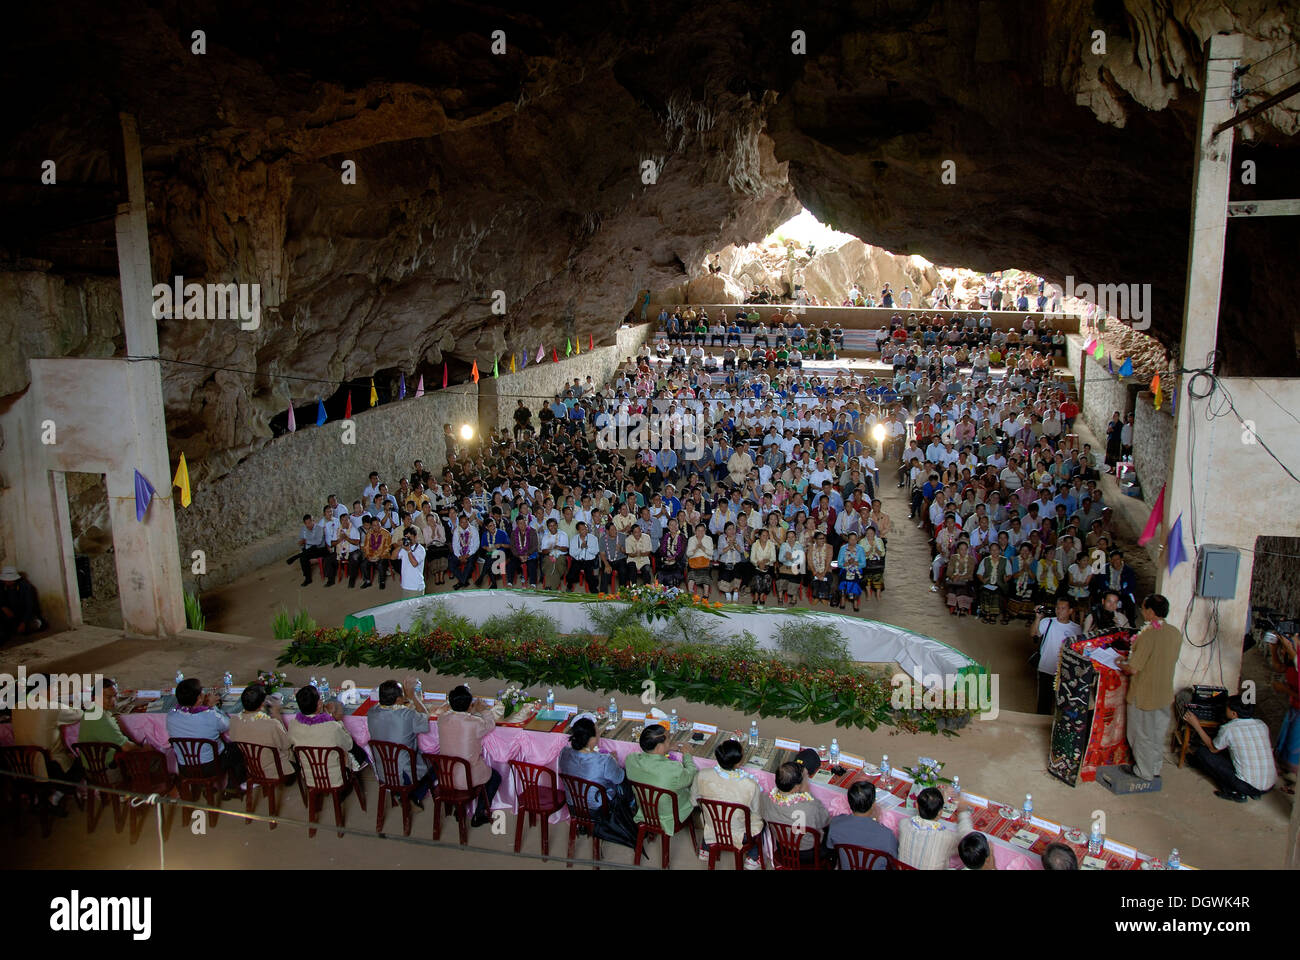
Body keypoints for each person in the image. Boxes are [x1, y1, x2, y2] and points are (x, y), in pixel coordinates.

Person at [1116, 594, 1181, 781]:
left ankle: (1143, 772)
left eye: (1144, 608)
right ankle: (1155, 767)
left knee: (1140, 734)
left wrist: (1121, 663)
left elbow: (1134, 668)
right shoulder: (1175, 633)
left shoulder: (1148, 635)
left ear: (1151, 612)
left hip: (1144, 695)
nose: (1142, 611)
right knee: (1157, 733)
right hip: (1164, 693)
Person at [1184, 695, 1276, 802]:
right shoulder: (1261, 724)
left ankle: (1233, 792)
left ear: (1234, 714)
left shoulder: (1229, 729)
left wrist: (1196, 725)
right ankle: (1251, 791)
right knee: (1232, 752)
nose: (1225, 708)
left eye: (1227, 707)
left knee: (1203, 753)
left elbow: (1213, 749)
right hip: (1270, 784)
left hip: (1247, 786)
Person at [11, 674, 84, 811]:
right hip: (49, 767)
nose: (57, 692)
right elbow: (79, 714)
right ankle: (56, 796)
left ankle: (38, 797)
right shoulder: (52, 707)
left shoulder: (16, 707)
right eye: (55, 688)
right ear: (43, 689)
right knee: (82, 762)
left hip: (22, 766)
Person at [166, 677, 245, 798]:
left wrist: (204, 705)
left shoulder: (171, 716)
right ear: (198, 698)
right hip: (211, 766)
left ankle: (203, 786)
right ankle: (231, 787)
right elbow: (228, 724)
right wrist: (211, 706)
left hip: (185, 767)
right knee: (238, 748)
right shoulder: (210, 715)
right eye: (201, 692)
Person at [692, 738, 764, 868]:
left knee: (712, 816)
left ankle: (706, 847)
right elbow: (757, 813)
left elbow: (694, 801)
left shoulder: (702, 775)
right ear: (738, 764)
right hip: (740, 835)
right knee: (761, 824)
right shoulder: (750, 785)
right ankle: (753, 858)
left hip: (712, 828)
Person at [436, 685, 502, 826]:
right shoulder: (475, 723)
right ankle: (480, 813)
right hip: (467, 777)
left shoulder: (442, 719)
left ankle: (458, 808)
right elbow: (490, 724)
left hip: (445, 776)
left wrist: (469, 709)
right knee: (495, 777)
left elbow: (451, 715)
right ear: (470, 705)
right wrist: (483, 710)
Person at [285, 683, 364, 793]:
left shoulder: (293, 724)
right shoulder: (332, 726)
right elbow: (348, 745)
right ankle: (345, 789)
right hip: (335, 776)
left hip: (310, 776)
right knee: (358, 751)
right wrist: (336, 720)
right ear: (319, 704)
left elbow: (288, 744)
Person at [367, 678, 434, 804]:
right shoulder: (407, 715)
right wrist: (413, 696)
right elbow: (425, 717)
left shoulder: (371, 712)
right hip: (405, 774)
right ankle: (413, 797)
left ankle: (400, 794)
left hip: (383, 773)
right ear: (398, 700)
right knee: (435, 764)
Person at [625, 722, 697, 837]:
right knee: (696, 788)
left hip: (645, 812)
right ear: (659, 746)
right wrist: (687, 756)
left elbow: (649, 758)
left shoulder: (631, 760)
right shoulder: (673, 769)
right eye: (669, 739)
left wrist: (666, 748)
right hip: (669, 816)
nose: (671, 740)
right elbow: (692, 774)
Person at [760, 756, 830, 864]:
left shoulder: (765, 799)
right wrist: (807, 793)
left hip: (783, 847)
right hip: (808, 853)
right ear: (797, 787)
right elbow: (825, 821)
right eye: (805, 778)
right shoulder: (810, 806)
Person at [227, 683, 296, 783]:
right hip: (276, 769)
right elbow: (286, 744)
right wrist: (277, 715)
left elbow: (233, 739)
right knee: (294, 749)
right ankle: (289, 779)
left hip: (251, 767)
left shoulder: (234, 720)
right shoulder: (271, 724)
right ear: (262, 704)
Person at [896, 787, 974, 870]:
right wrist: (963, 812)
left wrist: (939, 802)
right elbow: (970, 841)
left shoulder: (903, 824)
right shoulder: (947, 837)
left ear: (916, 805)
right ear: (940, 813)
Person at [826, 780, 897, 869]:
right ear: (873, 804)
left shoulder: (836, 823)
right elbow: (894, 861)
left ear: (849, 803)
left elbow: (830, 846)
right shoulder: (887, 835)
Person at [1031, 597, 1082, 715]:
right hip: (1046, 668)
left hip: (1065, 671)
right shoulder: (1048, 622)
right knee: (1044, 701)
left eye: (1063, 608)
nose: (1059, 611)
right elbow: (1033, 633)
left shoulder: (1076, 629)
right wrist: (1038, 618)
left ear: (1070, 611)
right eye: (1057, 608)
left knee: (1063, 701)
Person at [0, 566, 44, 641]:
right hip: (10, 615)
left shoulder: (25, 587)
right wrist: (3, 607)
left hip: (23, 615)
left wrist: (23, 623)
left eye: (10, 580)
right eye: (6, 580)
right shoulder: (2, 586)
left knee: (31, 626)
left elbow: (30, 606)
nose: (7, 582)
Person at [296, 513, 336, 587]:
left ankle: (329, 578)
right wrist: (302, 546)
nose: (309, 525)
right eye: (307, 523)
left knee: (305, 554)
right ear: (304, 524)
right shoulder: (303, 529)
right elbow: (300, 541)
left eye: (310, 522)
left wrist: (306, 541)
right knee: (303, 558)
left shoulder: (319, 528)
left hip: (320, 549)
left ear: (313, 521)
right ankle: (308, 578)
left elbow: (318, 542)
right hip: (309, 550)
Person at [395, 526, 427, 597]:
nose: (408, 540)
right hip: (405, 584)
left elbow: (414, 564)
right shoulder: (404, 547)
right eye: (406, 538)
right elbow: (393, 557)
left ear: (415, 537)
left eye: (410, 538)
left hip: (416, 586)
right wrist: (399, 546)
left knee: (417, 608)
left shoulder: (420, 549)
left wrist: (408, 551)